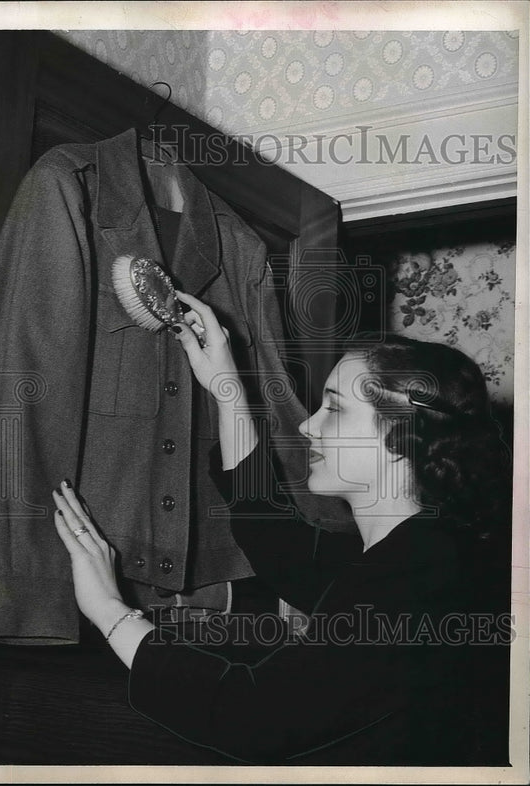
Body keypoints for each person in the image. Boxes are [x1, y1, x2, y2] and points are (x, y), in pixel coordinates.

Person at [52, 291, 512, 765]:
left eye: (335, 409)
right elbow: (275, 541)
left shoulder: (415, 579)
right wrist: (228, 390)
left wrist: (108, 610)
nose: (309, 426)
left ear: (401, 434)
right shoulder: (420, 553)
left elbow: (252, 716)